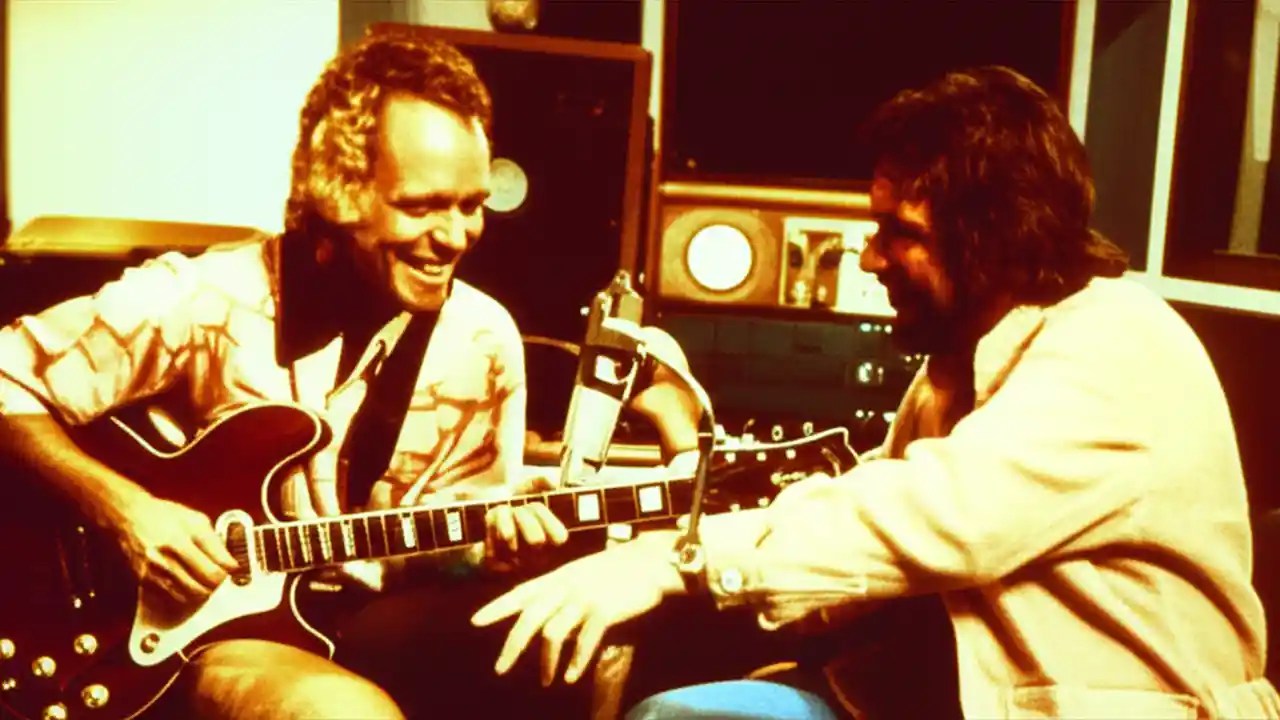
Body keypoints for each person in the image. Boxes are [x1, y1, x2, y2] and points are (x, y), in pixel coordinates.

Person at [471, 65, 1280, 719]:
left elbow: (929, 516)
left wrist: (676, 562)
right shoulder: (959, 360)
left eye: (902, 233)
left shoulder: (1117, 343)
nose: (870, 257)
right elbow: (860, 517)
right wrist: (639, 544)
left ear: (996, 238)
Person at [0, 28, 672, 720]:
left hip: (368, 618)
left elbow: (439, 552)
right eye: (422, 206)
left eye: (472, 204)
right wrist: (126, 513)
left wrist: (495, 550)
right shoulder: (204, 299)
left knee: (591, 637)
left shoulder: (481, 340)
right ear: (339, 188)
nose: (456, 236)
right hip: (201, 632)